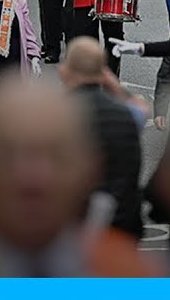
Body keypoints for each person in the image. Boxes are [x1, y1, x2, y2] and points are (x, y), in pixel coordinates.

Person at [0, 83, 153, 276]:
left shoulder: (130, 271)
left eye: (56, 156)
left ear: (91, 169)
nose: (32, 179)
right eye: (8, 155)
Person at [59, 36, 144, 240]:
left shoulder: (55, 117)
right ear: (103, 74)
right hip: (120, 228)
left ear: (64, 71)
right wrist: (112, 83)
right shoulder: (128, 115)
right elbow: (141, 108)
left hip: (71, 230)